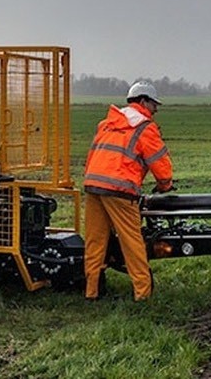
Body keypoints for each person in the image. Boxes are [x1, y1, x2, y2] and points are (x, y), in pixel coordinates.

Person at [82, 82, 174, 302]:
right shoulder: (144, 126)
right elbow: (160, 163)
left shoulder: (107, 123)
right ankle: (143, 294)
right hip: (120, 190)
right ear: (143, 101)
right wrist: (165, 186)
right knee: (132, 242)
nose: (156, 110)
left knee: (95, 241)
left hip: (94, 186)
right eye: (153, 104)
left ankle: (92, 291)